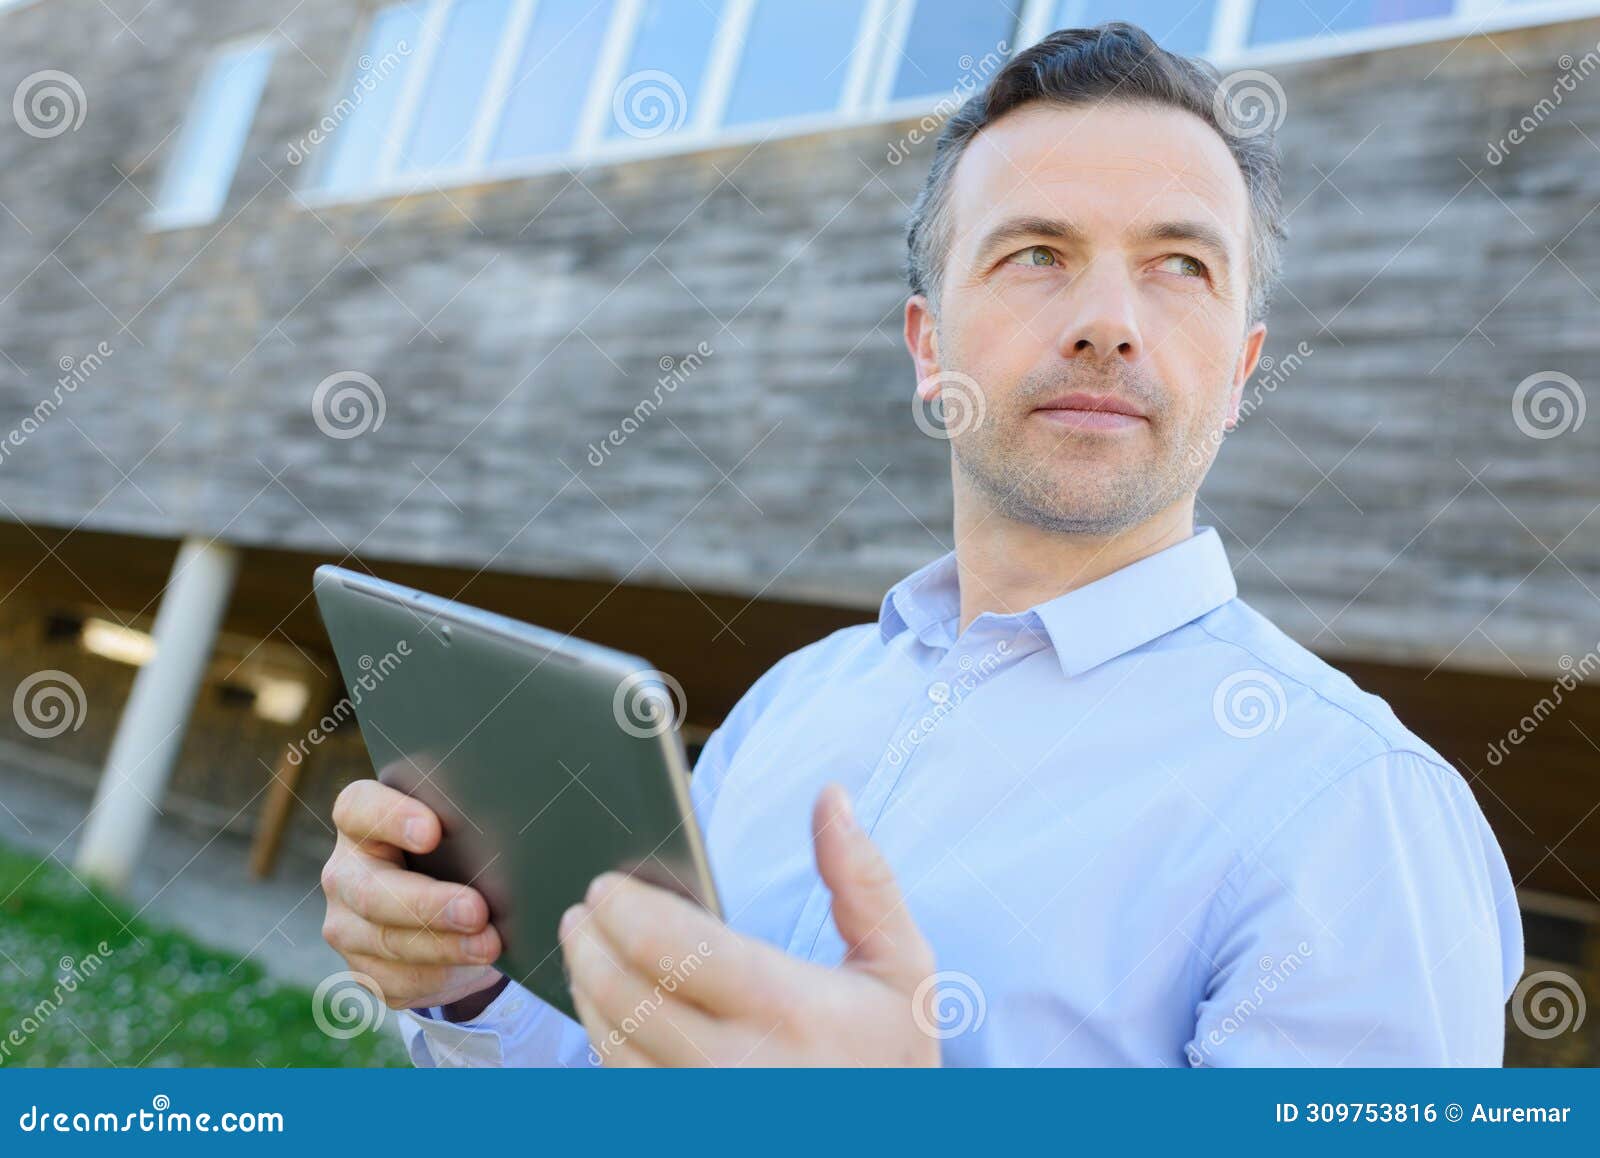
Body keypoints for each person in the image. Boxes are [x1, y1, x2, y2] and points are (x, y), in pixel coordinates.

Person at [318, 23, 1523, 1067]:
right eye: (1035, 254)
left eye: (1180, 266)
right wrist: (465, 983)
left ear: (1242, 371)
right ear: (926, 347)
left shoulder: (1360, 811)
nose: (1108, 322)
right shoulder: (790, 708)